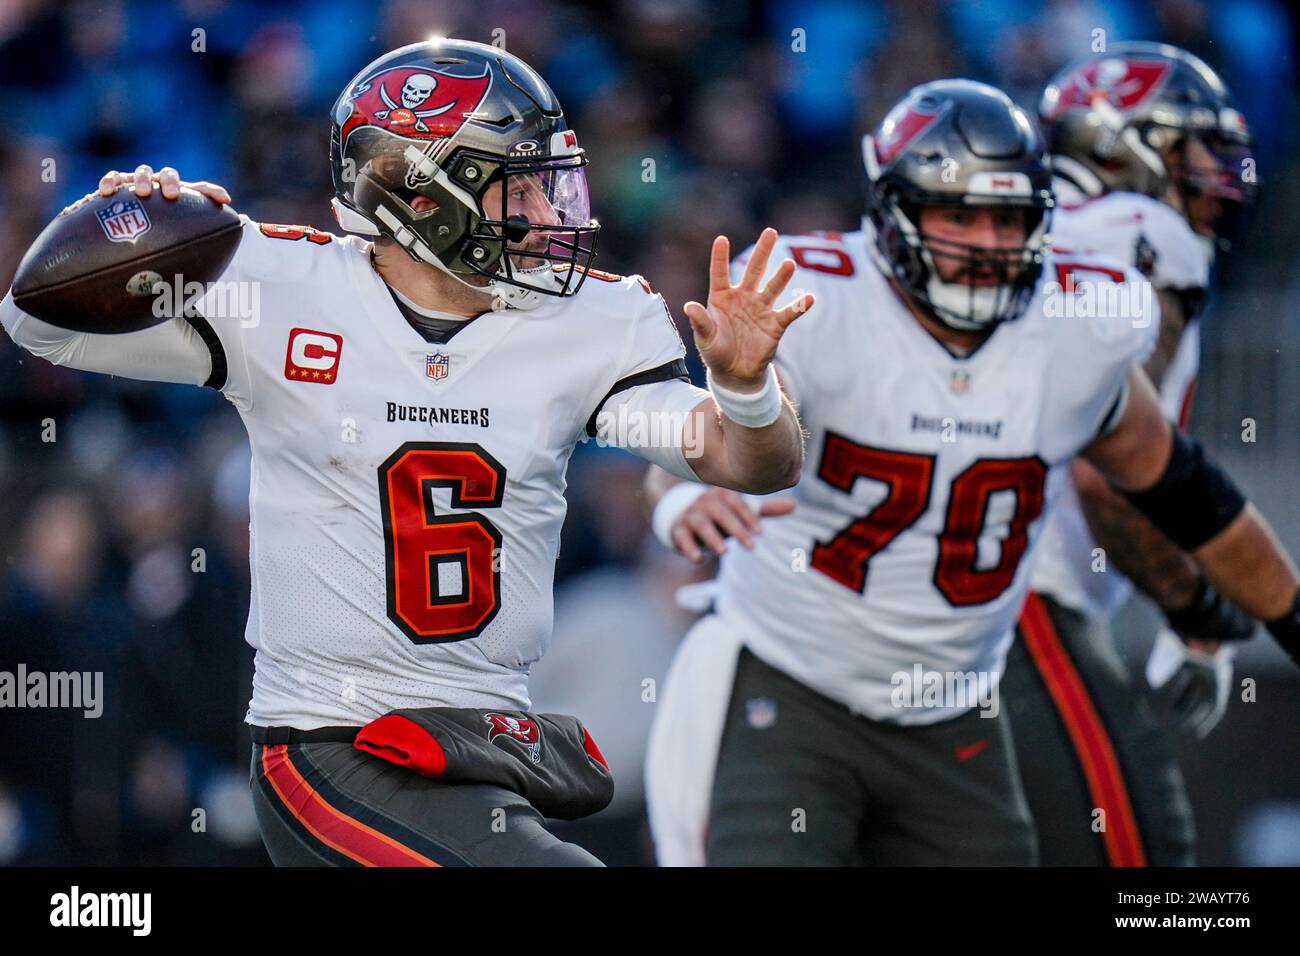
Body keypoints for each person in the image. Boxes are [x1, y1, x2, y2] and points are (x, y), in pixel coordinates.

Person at [1, 39, 811, 866]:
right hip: (330, 743)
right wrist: (116, 229)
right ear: (424, 200)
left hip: (488, 745)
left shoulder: (591, 325)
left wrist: (747, 390)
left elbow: (746, 460)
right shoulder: (279, 288)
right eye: (517, 187)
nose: (547, 211)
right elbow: (36, 323)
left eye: (548, 182)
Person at [641, 79, 1300, 866]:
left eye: (1007, 218)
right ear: (895, 213)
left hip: (954, 709)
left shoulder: (1074, 324)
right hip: (791, 680)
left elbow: (1191, 497)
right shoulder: (818, 298)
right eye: (959, 215)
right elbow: (711, 446)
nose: (986, 242)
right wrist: (685, 488)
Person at [1002, 41, 1262, 866]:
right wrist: (1199, 613)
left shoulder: (1017, 234)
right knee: (1140, 856)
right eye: (1197, 148)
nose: (1222, 174)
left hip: (931, 602)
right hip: (1020, 598)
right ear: (1121, 149)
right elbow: (1103, 467)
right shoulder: (1142, 232)